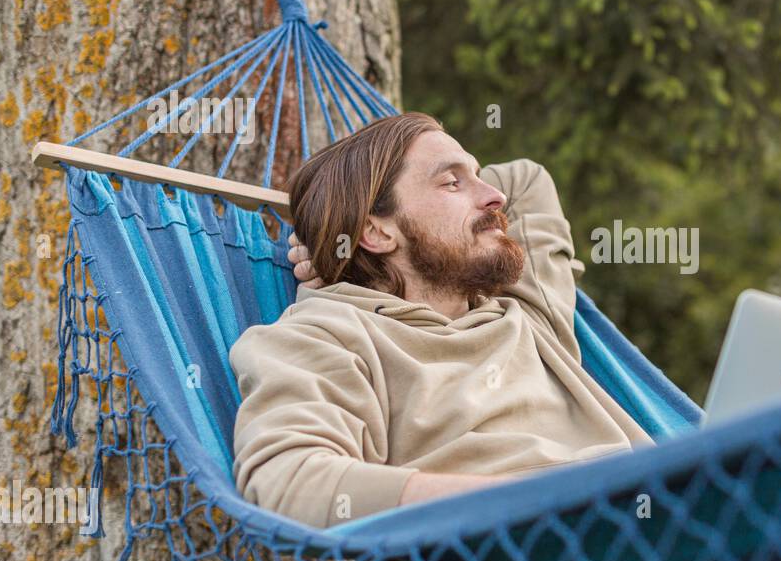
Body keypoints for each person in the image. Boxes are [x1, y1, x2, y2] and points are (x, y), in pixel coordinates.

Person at [228, 112, 653, 529]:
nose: (494, 197)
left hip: (668, 517)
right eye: (452, 182)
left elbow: (527, 181)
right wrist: (517, 503)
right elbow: (286, 479)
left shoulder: (527, 314)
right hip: (553, 556)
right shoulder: (328, 336)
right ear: (377, 233)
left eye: (478, 176)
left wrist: (337, 232)